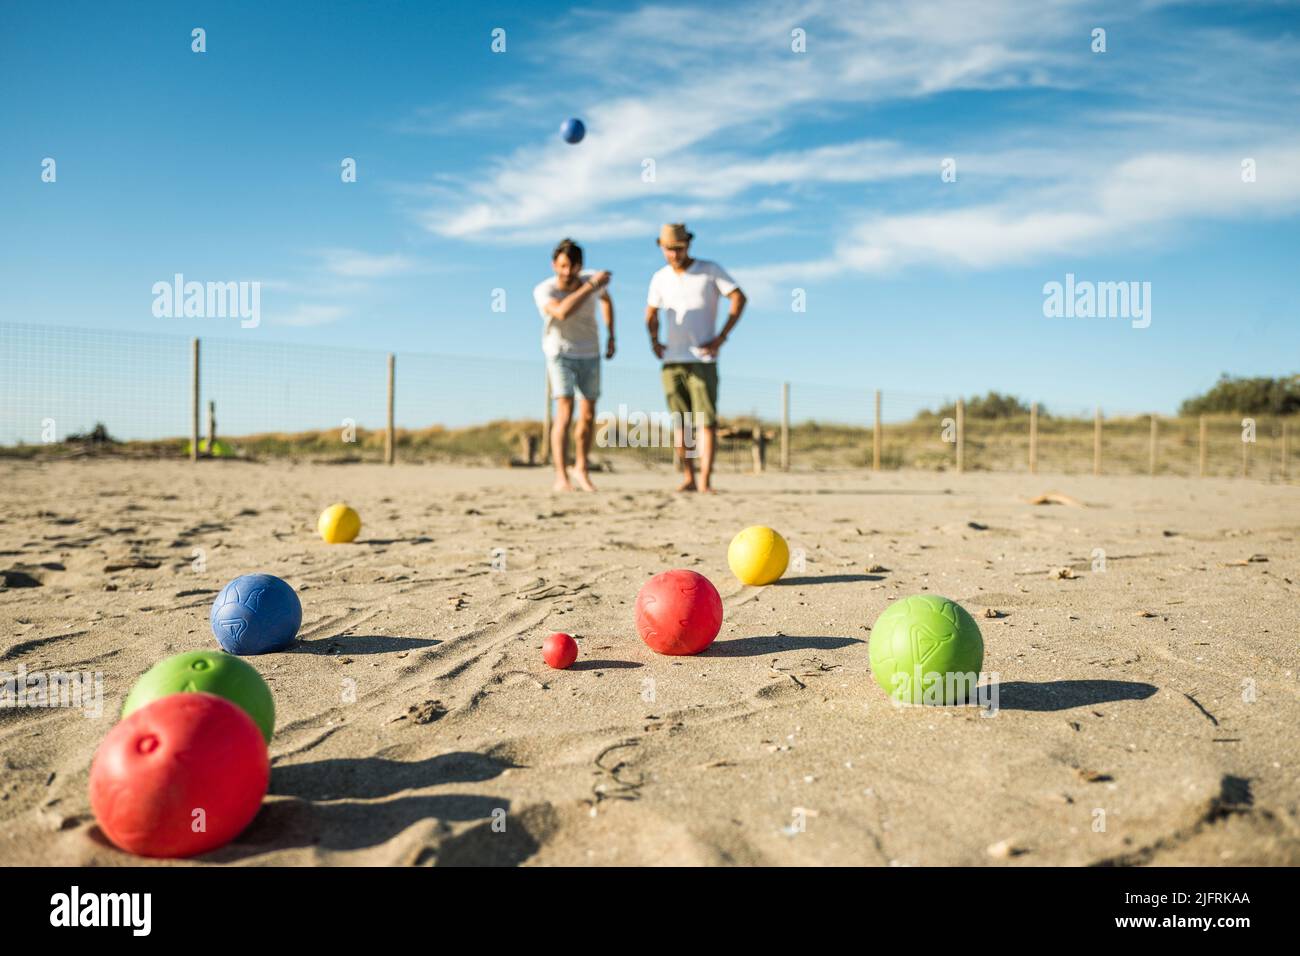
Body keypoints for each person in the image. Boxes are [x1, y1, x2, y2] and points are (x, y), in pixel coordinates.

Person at [645, 223, 746, 493]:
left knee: (706, 422)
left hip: (703, 358)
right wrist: (654, 341)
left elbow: (738, 298)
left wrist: (721, 337)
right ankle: (688, 477)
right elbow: (651, 314)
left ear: (688, 245)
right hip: (672, 360)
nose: (675, 254)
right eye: (669, 249)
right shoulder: (659, 278)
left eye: (679, 248)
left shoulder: (710, 270)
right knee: (682, 424)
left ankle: (705, 481)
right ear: (661, 247)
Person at [533, 238, 615, 491]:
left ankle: (581, 467)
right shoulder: (544, 290)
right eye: (562, 266)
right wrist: (590, 285)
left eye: (572, 266)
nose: (567, 272)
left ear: (581, 266)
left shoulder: (592, 282)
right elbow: (561, 312)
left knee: (588, 416)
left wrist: (612, 334)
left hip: (590, 352)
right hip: (559, 353)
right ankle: (561, 475)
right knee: (565, 413)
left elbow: (606, 300)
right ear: (554, 265)